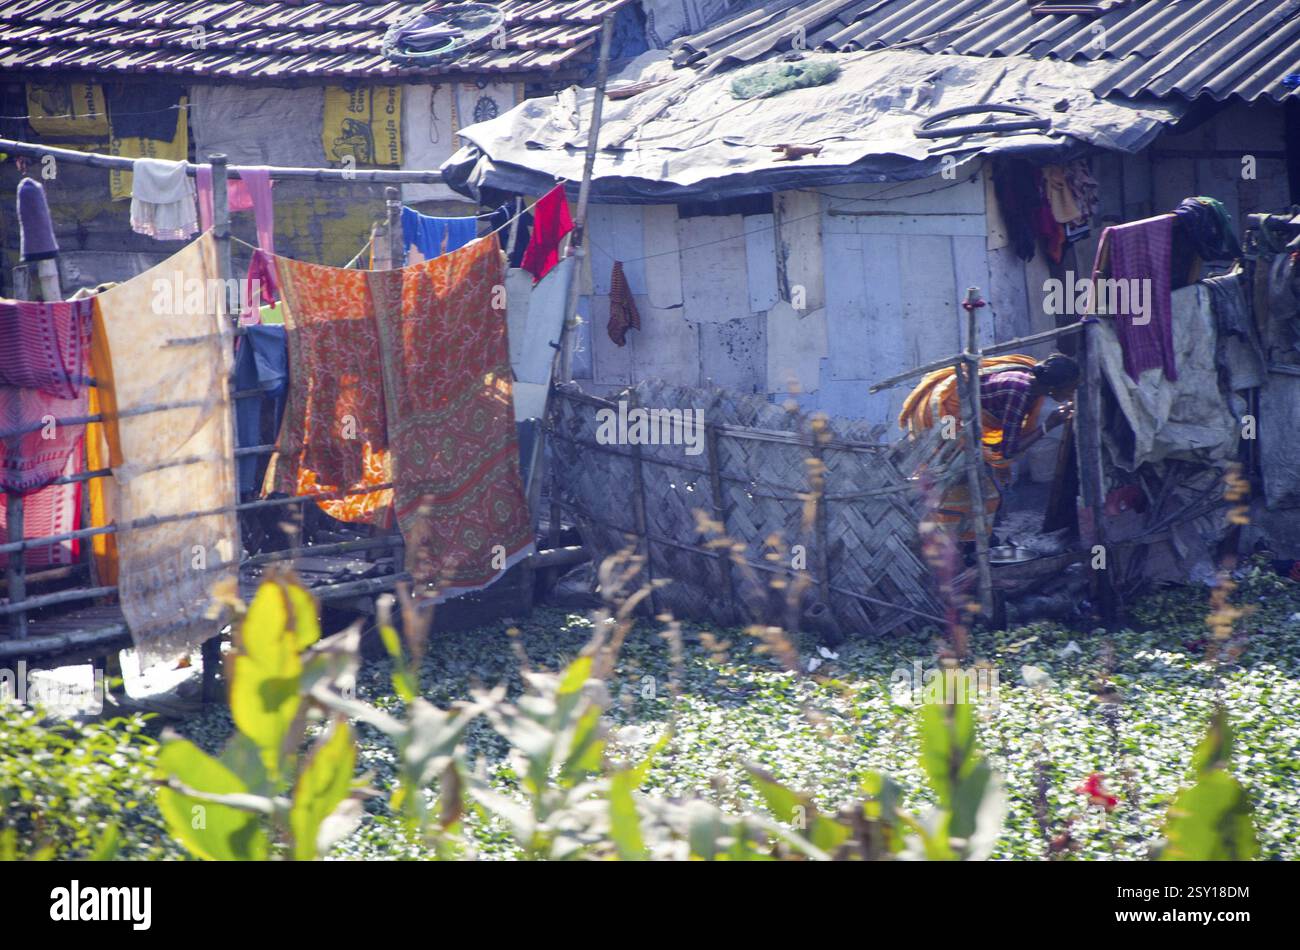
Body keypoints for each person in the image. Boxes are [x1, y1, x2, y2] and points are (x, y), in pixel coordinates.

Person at [899, 353, 1080, 541]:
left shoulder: (1032, 379)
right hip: (947, 415)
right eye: (1070, 389)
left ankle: (975, 536)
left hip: (965, 416)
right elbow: (1008, 451)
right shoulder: (1019, 392)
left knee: (977, 483)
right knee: (956, 472)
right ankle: (959, 537)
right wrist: (1048, 425)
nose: (1072, 394)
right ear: (1052, 387)